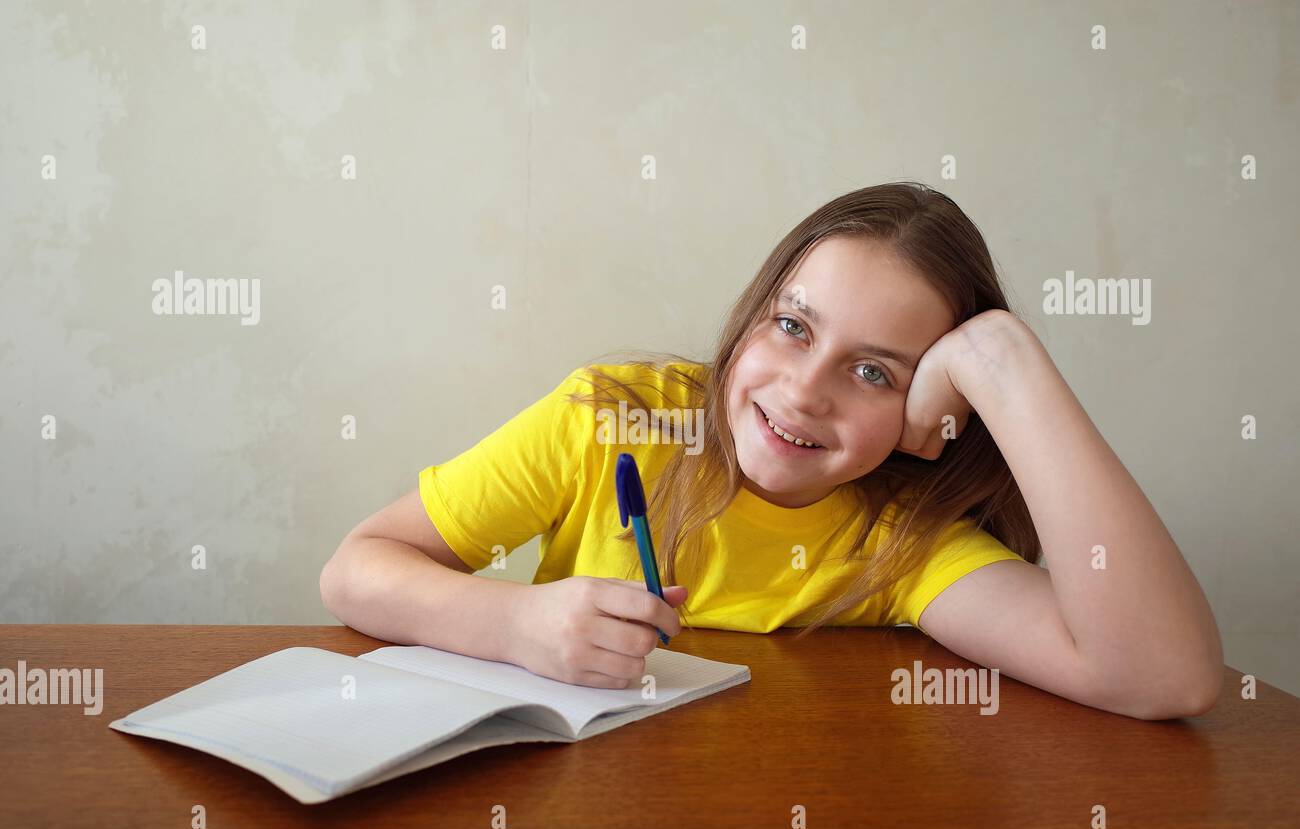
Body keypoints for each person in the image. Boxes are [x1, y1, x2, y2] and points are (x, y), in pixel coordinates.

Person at [320, 182, 1223, 720]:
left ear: (925, 411)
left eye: (874, 372)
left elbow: (1163, 677)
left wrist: (1005, 363)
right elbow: (357, 570)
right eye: (792, 326)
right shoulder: (610, 419)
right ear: (753, 313)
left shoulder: (904, 539)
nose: (802, 389)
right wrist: (515, 625)